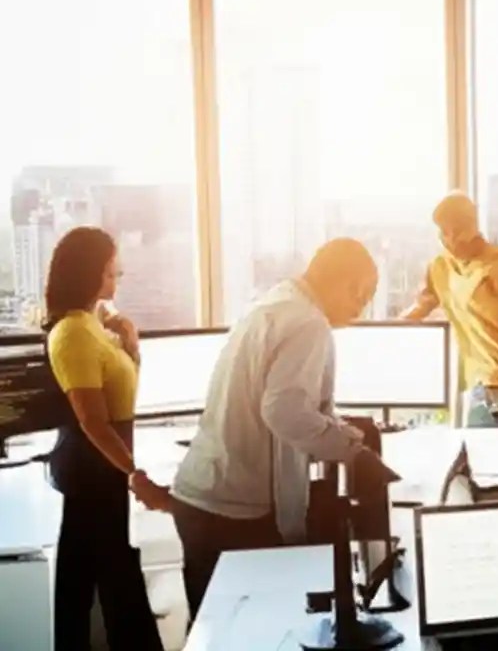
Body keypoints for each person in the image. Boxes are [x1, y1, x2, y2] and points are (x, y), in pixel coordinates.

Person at [171, 238, 397, 621]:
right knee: (256, 633)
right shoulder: (309, 323)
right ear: (342, 281)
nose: (360, 309)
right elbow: (285, 412)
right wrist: (353, 452)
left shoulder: (275, 304)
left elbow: (284, 403)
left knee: (215, 632)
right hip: (234, 511)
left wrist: (338, 431)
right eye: (361, 295)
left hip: (202, 499)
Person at [43, 226, 166, 651]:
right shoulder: (73, 333)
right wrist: (135, 474)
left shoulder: (92, 325)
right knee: (112, 580)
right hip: (91, 469)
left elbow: (122, 387)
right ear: (90, 273)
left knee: (91, 581)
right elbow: (93, 421)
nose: (118, 278)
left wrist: (125, 332)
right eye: (111, 271)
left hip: (104, 468)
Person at [401, 192, 498, 431]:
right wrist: (369, 332)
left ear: (474, 224)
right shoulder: (439, 268)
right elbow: (418, 310)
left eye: (458, 230)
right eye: (444, 232)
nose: (452, 240)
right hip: (481, 389)